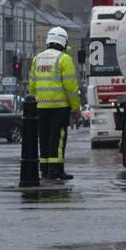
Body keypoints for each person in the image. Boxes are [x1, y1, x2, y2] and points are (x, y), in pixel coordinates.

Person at [28, 26, 79, 180]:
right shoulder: (64, 59)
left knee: (43, 138)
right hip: (60, 107)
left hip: (41, 107)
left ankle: (44, 170)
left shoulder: (37, 59)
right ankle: (56, 171)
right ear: (64, 42)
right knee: (58, 139)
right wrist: (76, 107)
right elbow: (71, 87)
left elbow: (32, 86)